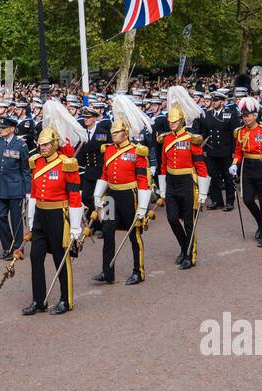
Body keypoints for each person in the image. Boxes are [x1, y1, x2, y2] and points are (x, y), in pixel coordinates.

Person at [20, 126, 83, 313]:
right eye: (41, 145)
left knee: (60, 258)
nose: (43, 147)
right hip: (40, 215)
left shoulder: (66, 163)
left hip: (59, 216)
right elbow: (33, 193)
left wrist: (75, 227)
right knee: (35, 256)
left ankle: (66, 300)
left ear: (55, 144)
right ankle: (39, 301)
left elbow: (74, 196)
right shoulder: (36, 162)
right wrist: (31, 219)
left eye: (46, 144)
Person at [92, 95, 151, 284]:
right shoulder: (108, 150)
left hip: (129, 195)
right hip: (111, 196)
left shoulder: (137, 151)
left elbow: (143, 179)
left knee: (134, 233)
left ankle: (138, 271)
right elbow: (104, 174)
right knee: (107, 231)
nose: (113, 135)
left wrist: (143, 206)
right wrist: (97, 194)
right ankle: (107, 272)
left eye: (116, 133)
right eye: (112, 132)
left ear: (126, 133)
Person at [155, 89, 208, 268]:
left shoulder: (191, 139)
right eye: (170, 121)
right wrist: (162, 188)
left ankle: (189, 255)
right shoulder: (166, 139)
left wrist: (203, 191)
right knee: (171, 218)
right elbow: (163, 164)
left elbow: (200, 165)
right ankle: (184, 246)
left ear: (182, 121)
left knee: (188, 219)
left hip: (187, 182)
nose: (172, 124)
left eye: (175, 121)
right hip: (171, 182)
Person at [230, 99, 262, 247]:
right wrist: (234, 164)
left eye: (249, 115)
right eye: (244, 115)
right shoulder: (239, 132)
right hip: (247, 167)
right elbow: (238, 152)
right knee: (248, 200)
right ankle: (261, 223)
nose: (246, 118)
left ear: (255, 115)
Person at [0, 116, 30, 261]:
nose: (1, 130)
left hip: (16, 187)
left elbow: (25, 169)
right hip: (2, 187)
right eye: (0, 128)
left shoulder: (21, 145)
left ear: (12, 129)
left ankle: (18, 249)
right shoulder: (0, 142)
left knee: (16, 220)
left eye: (4, 128)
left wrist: (27, 191)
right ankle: (7, 246)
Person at [201, 91, 239, 212]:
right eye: (213, 100)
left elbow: (235, 135)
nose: (214, 103)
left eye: (216, 100)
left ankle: (229, 201)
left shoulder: (230, 114)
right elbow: (205, 134)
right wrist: (205, 149)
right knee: (213, 177)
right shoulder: (208, 115)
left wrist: (234, 151)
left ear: (222, 101)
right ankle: (217, 201)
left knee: (228, 177)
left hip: (226, 151)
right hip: (212, 152)